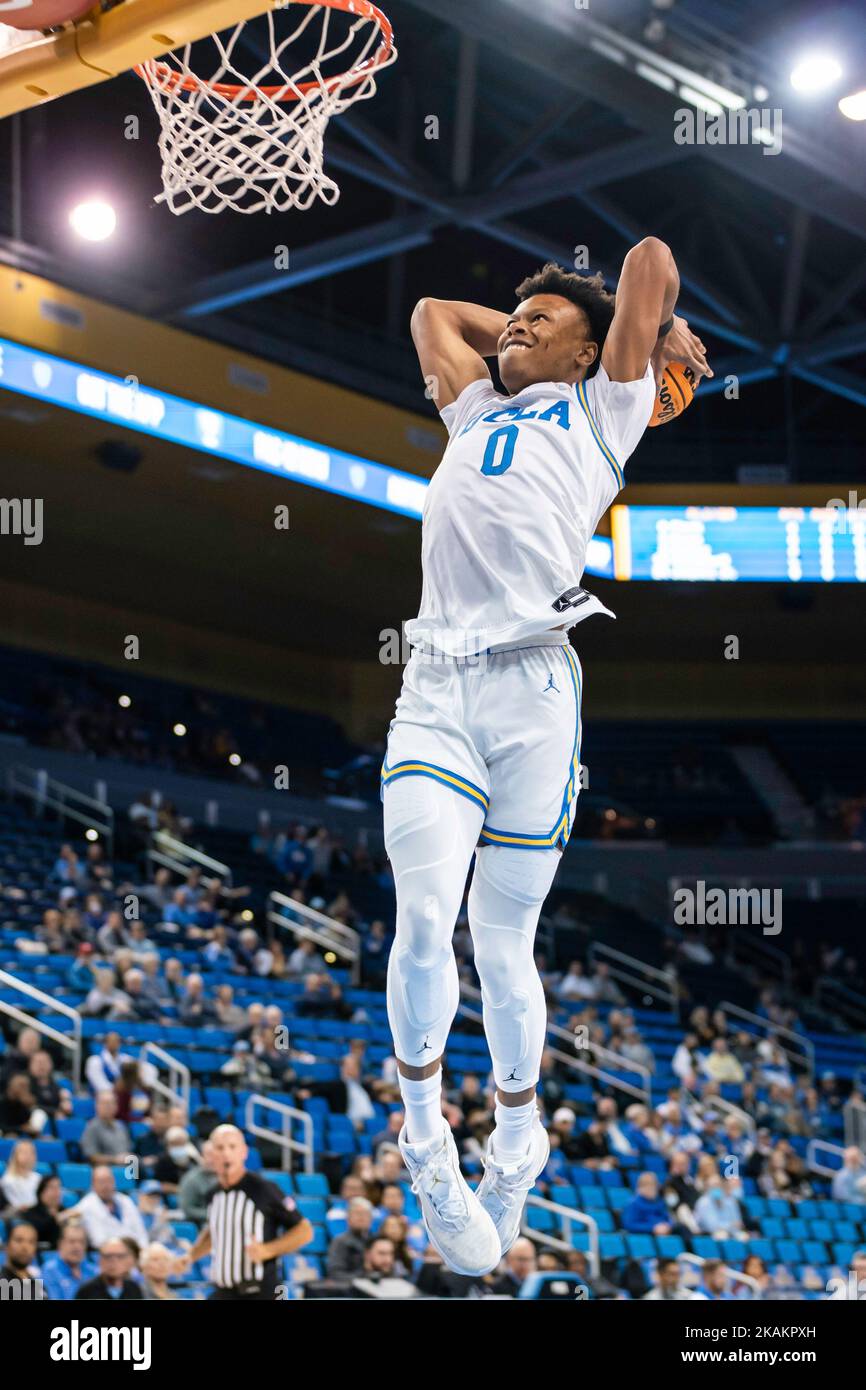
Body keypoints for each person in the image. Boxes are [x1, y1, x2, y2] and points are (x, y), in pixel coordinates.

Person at [382, 245, 710, 1274]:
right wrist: (534, 324)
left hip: (534, 693)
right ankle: (427, 1140)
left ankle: (517, 1136)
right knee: (425, 918)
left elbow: (649, 259)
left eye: (537, 321)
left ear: (591, 353)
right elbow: (434, 308)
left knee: (503, 938)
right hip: (432, 684)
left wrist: (638, 334)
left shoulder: (603, 410)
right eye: (512, 317)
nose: (512, 326)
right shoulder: (473, 410)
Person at [176, 1124, 313, 1300]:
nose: (226, 1153)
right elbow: (216, 1229)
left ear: (244, 1152)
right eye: (220, 1148)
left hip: (258, 1291)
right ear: (212, 1156)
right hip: (224, 1290)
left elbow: (304, 1230)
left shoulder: (263, 1189)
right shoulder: (213, 1194)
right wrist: (191, 1256)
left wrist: (268, 1250)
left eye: (232, 1147)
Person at [71, 1166, 148, 1250]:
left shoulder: (126, 1200)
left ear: (114, 1182)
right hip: (111, 1255)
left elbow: (141, 1232)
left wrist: (142, 1250)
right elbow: (99, 1241)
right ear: (93, 1184)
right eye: (101, 1182)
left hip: (136, 1252)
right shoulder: (85, 1206)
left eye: (109, 1181)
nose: (106, 1185)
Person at [41, 1223, 99, 1300]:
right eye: (72, 1241)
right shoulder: (49, 1271)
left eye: (81, 1242)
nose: (77, 1246)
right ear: (60, 1244)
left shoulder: (94, 1270)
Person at [75, 1238, 144, 1301]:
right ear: (100, 1260)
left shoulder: (134, 1289)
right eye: (108, 1256)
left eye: (119, 1256)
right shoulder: (87, 1291)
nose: (114, 1262)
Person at [326, 1196, 374, 1279]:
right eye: (357, 1213)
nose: (361, 1217)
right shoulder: (340, 1241)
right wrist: (363, 1277)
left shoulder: (376, 1241)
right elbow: (335, 1274)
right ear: (348, 1218)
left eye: (365, 1214)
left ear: (371, 1219)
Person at [80, 1089, 132, 1164]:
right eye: (105, 1103)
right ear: (97, 1106)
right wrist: (114, 1159)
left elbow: (128, 1150)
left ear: (116, 1106)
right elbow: (91, 1156)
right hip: (105, 1169)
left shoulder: (121, 1126)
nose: (108, 1106)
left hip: (127, 1168)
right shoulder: (92, 1127)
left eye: (112, 1103)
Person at [0, 1221, 43, 1298]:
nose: (25, 1247)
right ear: (7, 1245)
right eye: (19, 1240)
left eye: (31, 1242)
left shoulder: (38, 1285)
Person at [0, 1138, 40, 1211]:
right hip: (19, 1215)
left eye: (31, 1152)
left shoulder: (38, 1177)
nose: (28, 1156)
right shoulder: (7, 1180)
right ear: (15, 1155)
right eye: (24, 1152)